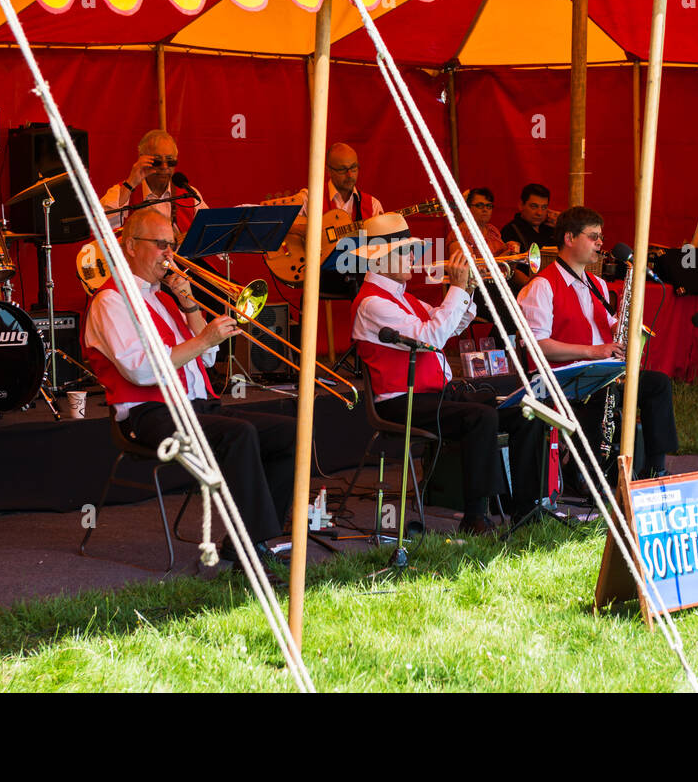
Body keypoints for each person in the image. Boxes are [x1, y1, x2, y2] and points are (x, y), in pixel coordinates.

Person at [82, 208, 295, 561]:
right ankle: (252, 548)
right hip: (148, 415)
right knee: (240, 434)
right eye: (162, 245)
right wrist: (204, 338)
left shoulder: (163, 298)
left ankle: (254, 538)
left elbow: (206, 359)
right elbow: (141, 371)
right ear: (131, 246)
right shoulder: (111, 300)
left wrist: (190, 304)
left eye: (174, 245)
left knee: (290, 431)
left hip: (193, 408)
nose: (171, 254)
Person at [350, 213, 545, 532]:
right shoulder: (372, 304)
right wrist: (456, 287)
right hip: (401, 400)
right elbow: (431, 339)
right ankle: (475, 517)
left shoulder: (404, 298)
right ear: (380, 257)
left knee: (524, 410)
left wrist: (467, 287)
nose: (413, 257)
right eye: (405, 251)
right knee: (480, 418)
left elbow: (452, 326)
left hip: (432, 394)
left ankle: (524, 508)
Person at [517, 206, 677, 484]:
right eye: (593, 237)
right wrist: (594, 352)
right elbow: (538, 345)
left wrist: (625, 328)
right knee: (605, 393)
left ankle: (655, 470)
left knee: (658, 383)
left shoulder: (598, 285)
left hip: (600, 376)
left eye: (601, 236)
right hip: (563, 380)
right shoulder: (542, 286)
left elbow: (610, 324)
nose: (601, 243)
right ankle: (588, 475)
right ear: (569, 238)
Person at [289, 142, 385, 297]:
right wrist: (308, 231)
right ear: (328, 170)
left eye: (354, 168)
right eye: (342, 170)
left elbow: (381, 249)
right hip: (320, 278)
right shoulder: (310, 198)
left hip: (361, 284)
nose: (350, 175)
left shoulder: (372, 205)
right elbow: (281, 222)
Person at [444, 187, 522, 337]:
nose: (485, 209)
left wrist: (512, 256)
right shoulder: (459, 233)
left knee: (525, 305)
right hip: (475, 288)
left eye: (488, 206)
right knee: (508, 316)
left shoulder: (493, 231)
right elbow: (468, 268)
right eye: (479, 205)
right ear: (467, 208)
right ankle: (503, 353)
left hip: (498, 284)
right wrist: (502, 258)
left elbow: (506, 268)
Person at [100, 129, 207, 235]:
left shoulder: (190, 195)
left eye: (170, 161)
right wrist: (131, 182)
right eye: (157, 161)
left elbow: (209, 230)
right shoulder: (122, 191)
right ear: (142, 160)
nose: (164, 167)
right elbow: (102, 226)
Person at [500, 184, 556, 289]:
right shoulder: (510, 230)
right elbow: (510, 270)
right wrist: (535, 287)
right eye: (534, 206)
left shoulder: (551, 229)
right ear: (521, 205)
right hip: (526, 290)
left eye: (544, 207)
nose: (539, 213)